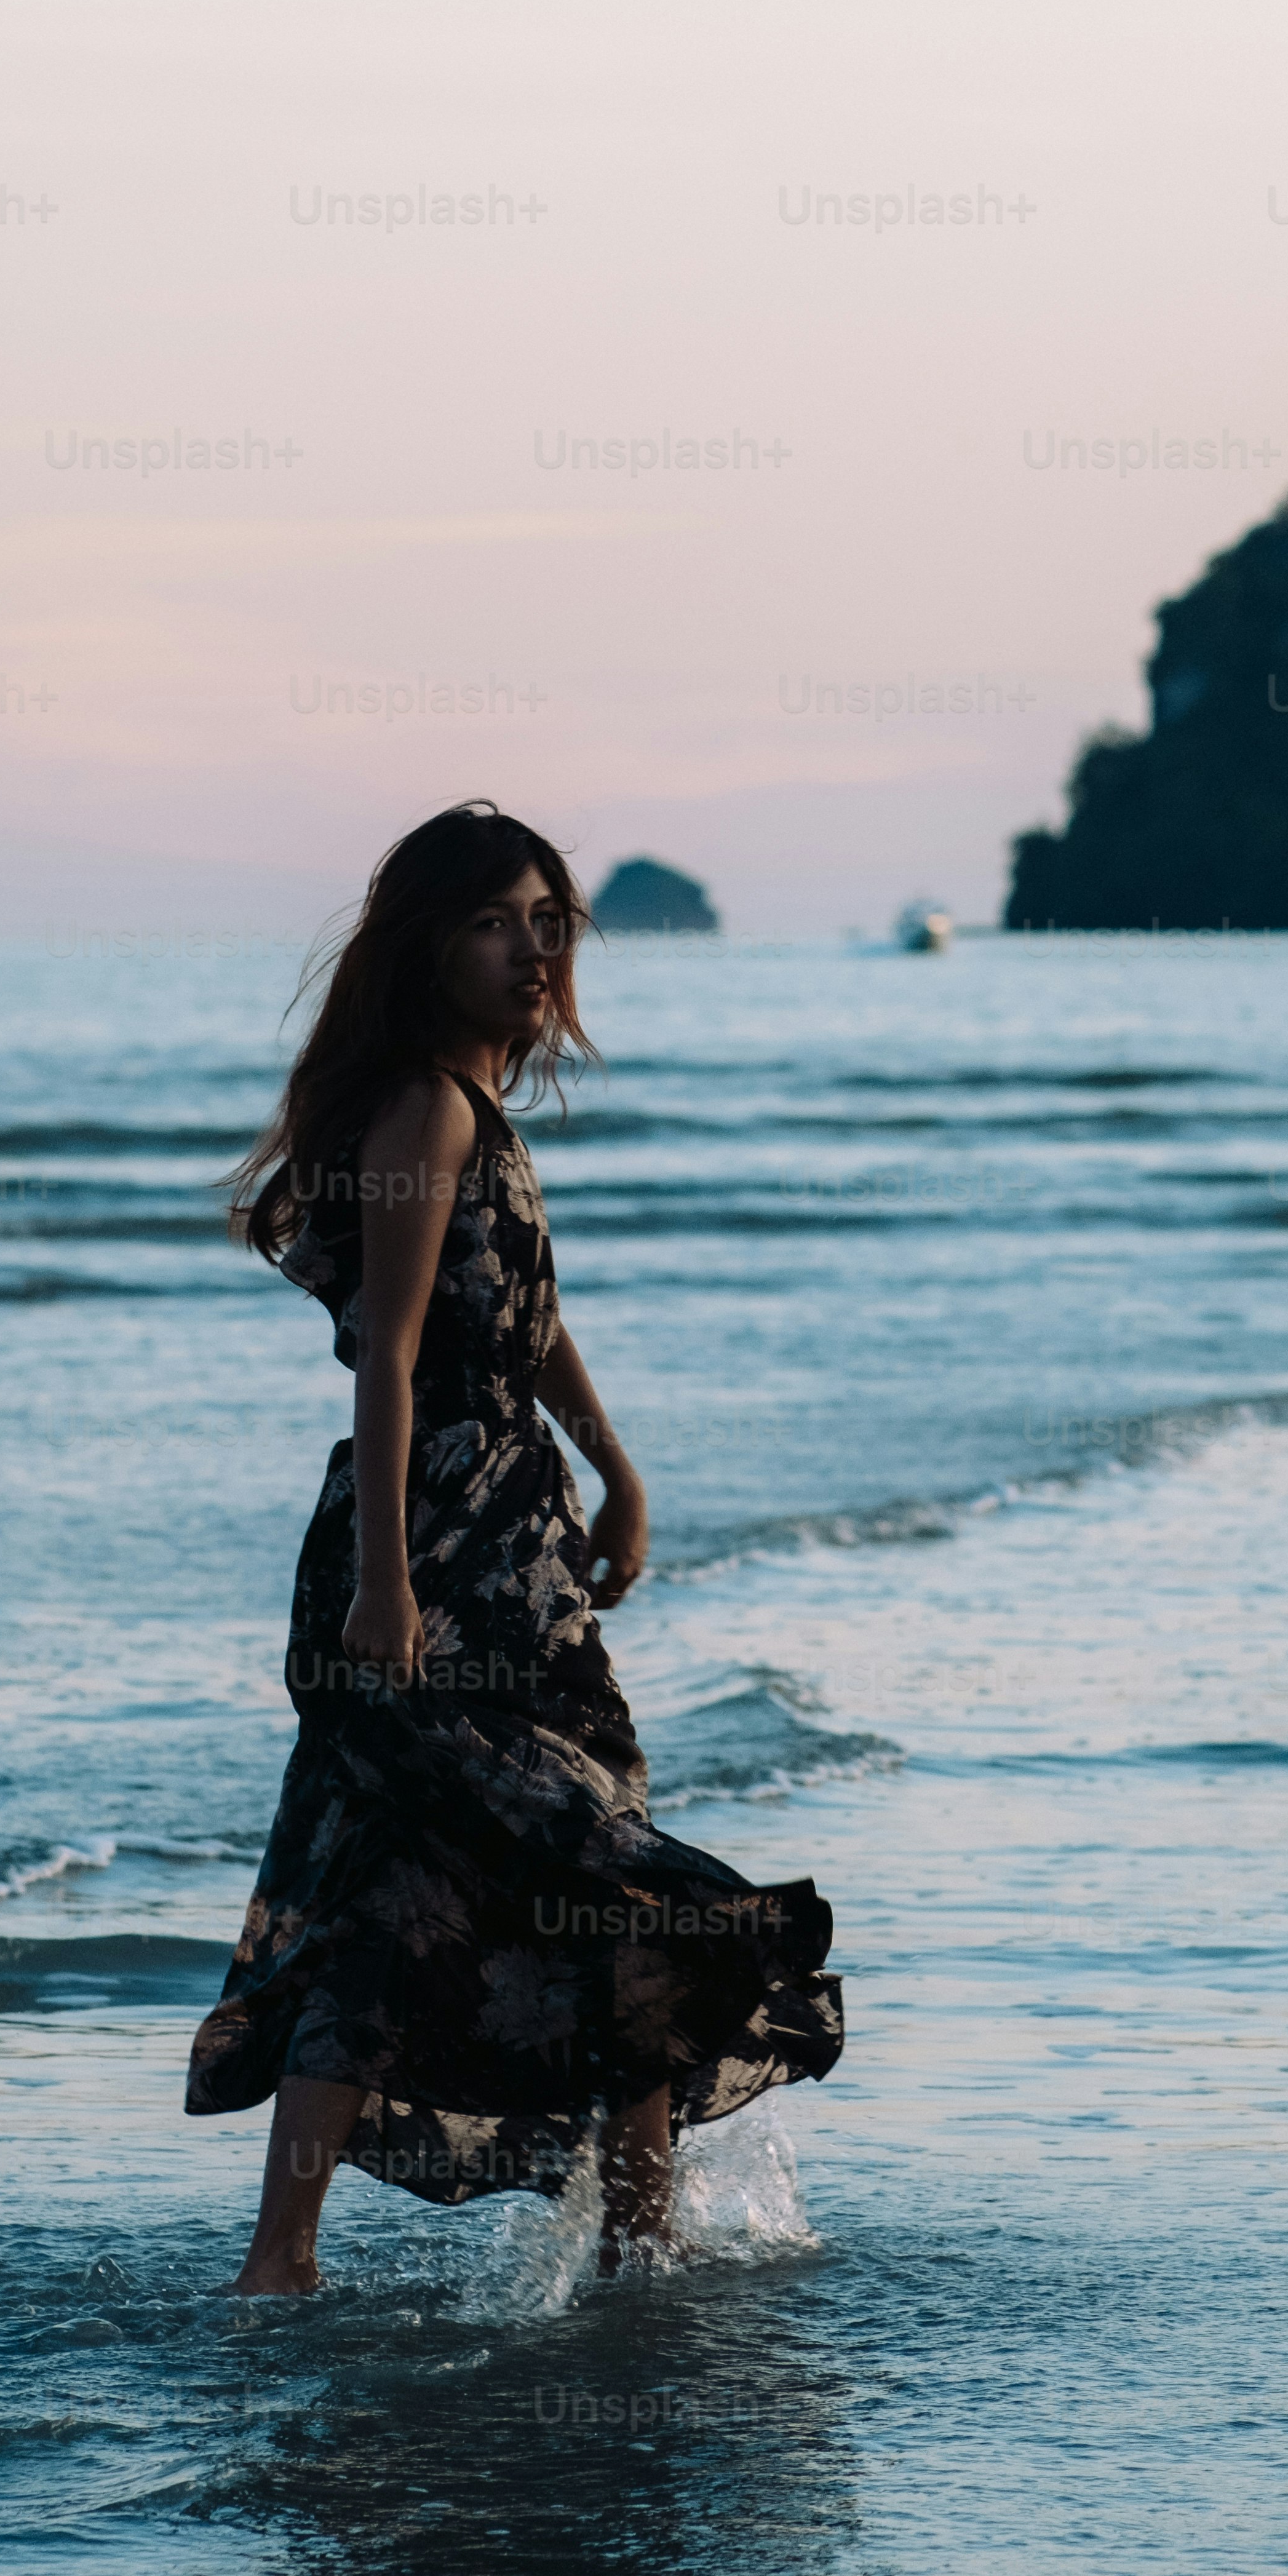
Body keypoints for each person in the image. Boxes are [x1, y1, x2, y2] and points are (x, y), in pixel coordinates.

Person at [187, 803, 841, 2292]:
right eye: (498, 920)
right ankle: (298, 2253)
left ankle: (616, 2235)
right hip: (438, 1548)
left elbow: (521, 1328)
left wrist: (614, 1465)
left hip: (514, 1539)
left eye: (551, 918)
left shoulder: (482, 1114)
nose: (534, 948)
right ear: (431, 944)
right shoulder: (427, 1108)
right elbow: (397, 1353)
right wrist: (387, 1585)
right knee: (531, 1875)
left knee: (453, 1881)